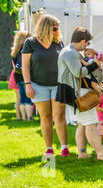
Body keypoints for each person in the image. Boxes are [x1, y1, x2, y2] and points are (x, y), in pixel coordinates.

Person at [57, 28, 103, 160]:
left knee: (83, 123)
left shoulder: (71, 51)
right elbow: (78, 72)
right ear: (82, 41)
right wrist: (95, 64)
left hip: (71, 91)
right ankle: (101, 153)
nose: (87, 46)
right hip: (77, 92)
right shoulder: (70, 53)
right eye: (87, 43)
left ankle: (82, 153)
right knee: (91, 123)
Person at [22, 15, 70, 157]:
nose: (57, 31)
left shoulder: (58, 42)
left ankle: (64, 147)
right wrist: (27, 84)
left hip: (58, 84)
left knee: (59, 115)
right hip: (38, 84)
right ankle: (49, 148)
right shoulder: (30, 43)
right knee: (45, 116)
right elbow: (25, 65)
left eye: (57, 28)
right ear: (45, 28)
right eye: (54, 28)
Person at [10, 30, 34, 121]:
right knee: (28, 98)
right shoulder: (26, 49)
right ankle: (29, 118)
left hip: (17, 76)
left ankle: (24, 117)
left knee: (22, 97)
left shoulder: (15, 51)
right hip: (25, 75)